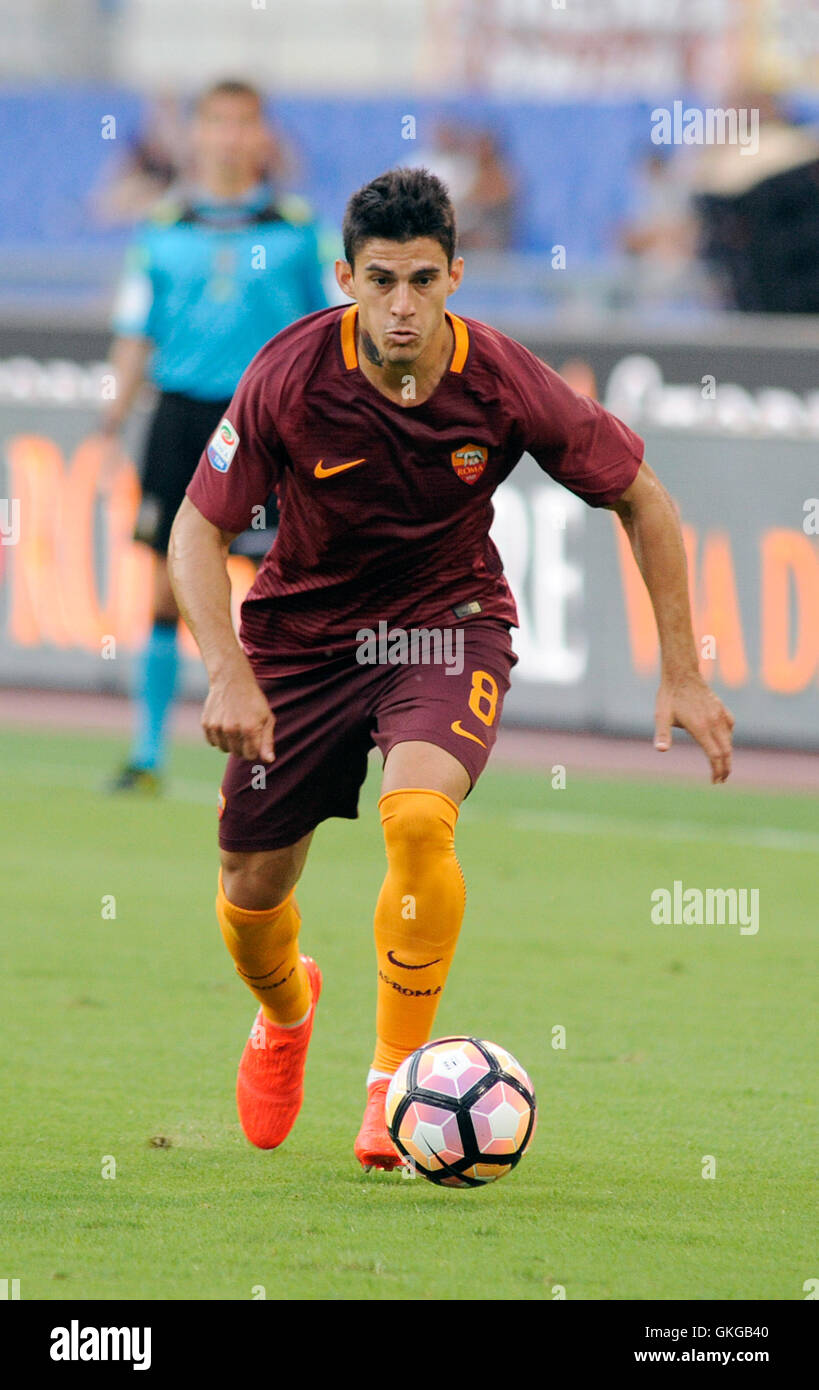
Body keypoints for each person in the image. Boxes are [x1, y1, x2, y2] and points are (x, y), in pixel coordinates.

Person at [168, 168, 734, 1171]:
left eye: (422, 279)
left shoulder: (502, 380)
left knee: (421, 815)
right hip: (299, 646)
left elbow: (644, 497)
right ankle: (287, 1014)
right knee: (251, 902)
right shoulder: (290, 376)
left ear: (455, 277)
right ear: (344, 275)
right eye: (379, 278)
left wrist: (682, 669)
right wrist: (225, 669)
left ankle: (394, 1084)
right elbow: (197, 528)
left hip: (447, 622)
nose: (401, 304)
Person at [100, 79, 326, 793]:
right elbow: (137, 333)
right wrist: (111, 418)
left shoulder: (297, 231)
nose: (230, 136)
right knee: (168, 587)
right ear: (194, 134)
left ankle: (279, 750)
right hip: (180, 419)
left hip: (263, 422)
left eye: (243, 123)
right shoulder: (161, 228)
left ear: (263, 135)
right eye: (217, 123)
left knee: (274, 587)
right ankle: (147, 755)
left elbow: (329, 333)